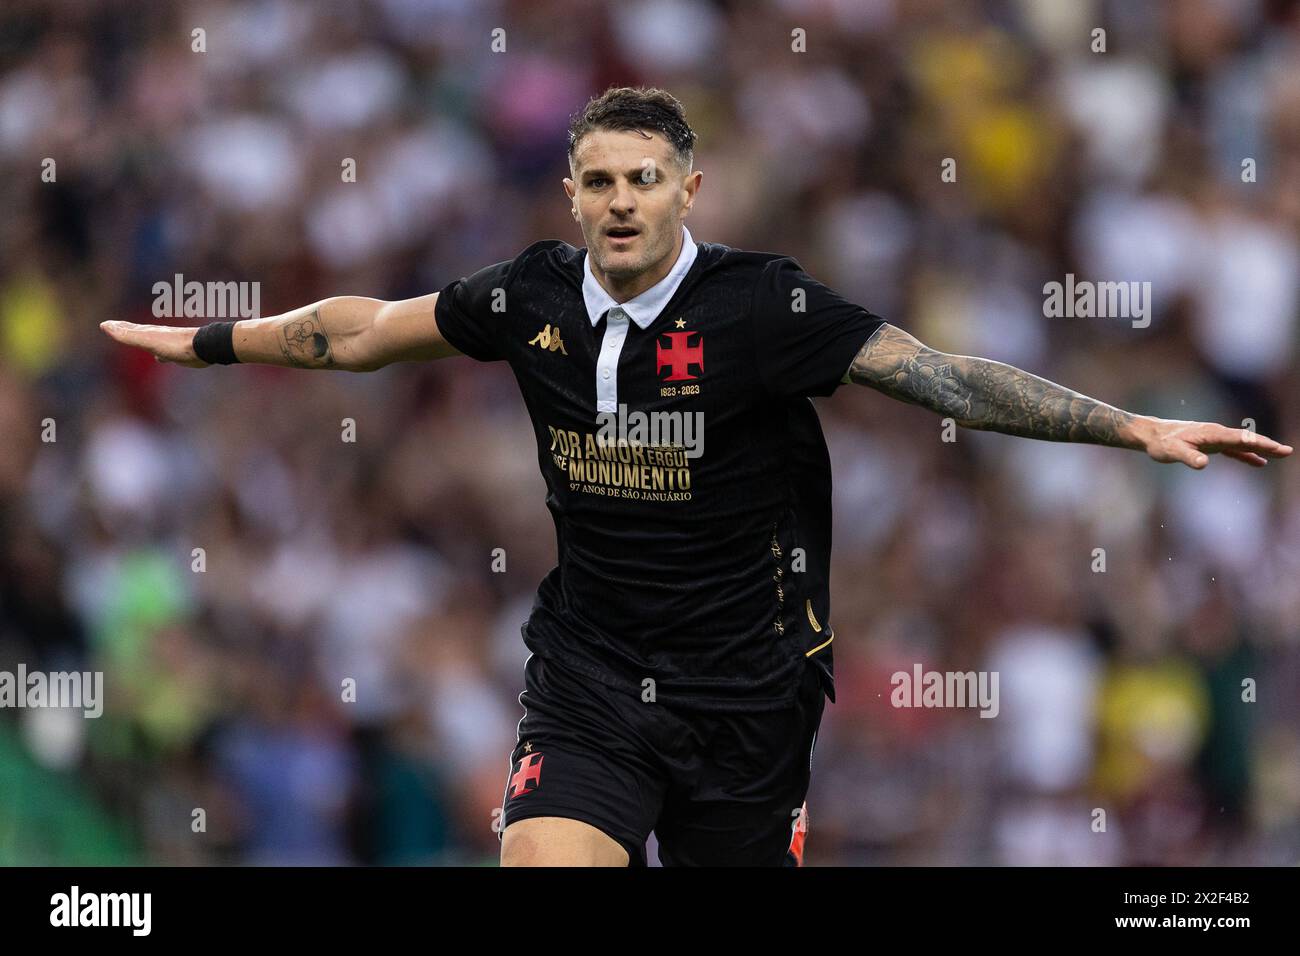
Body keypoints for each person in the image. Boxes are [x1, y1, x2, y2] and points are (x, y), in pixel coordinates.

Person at [102, 86, 1292, 867]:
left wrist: (1130, 426)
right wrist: (211, 340)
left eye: (644, 179)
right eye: (599, 181)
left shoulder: (761, 306)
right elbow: (362, 331)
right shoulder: (528, 294)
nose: (621, 202)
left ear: (688, 191)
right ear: (571, 195)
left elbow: (945, 380)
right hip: (592, 676)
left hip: (747, 694)